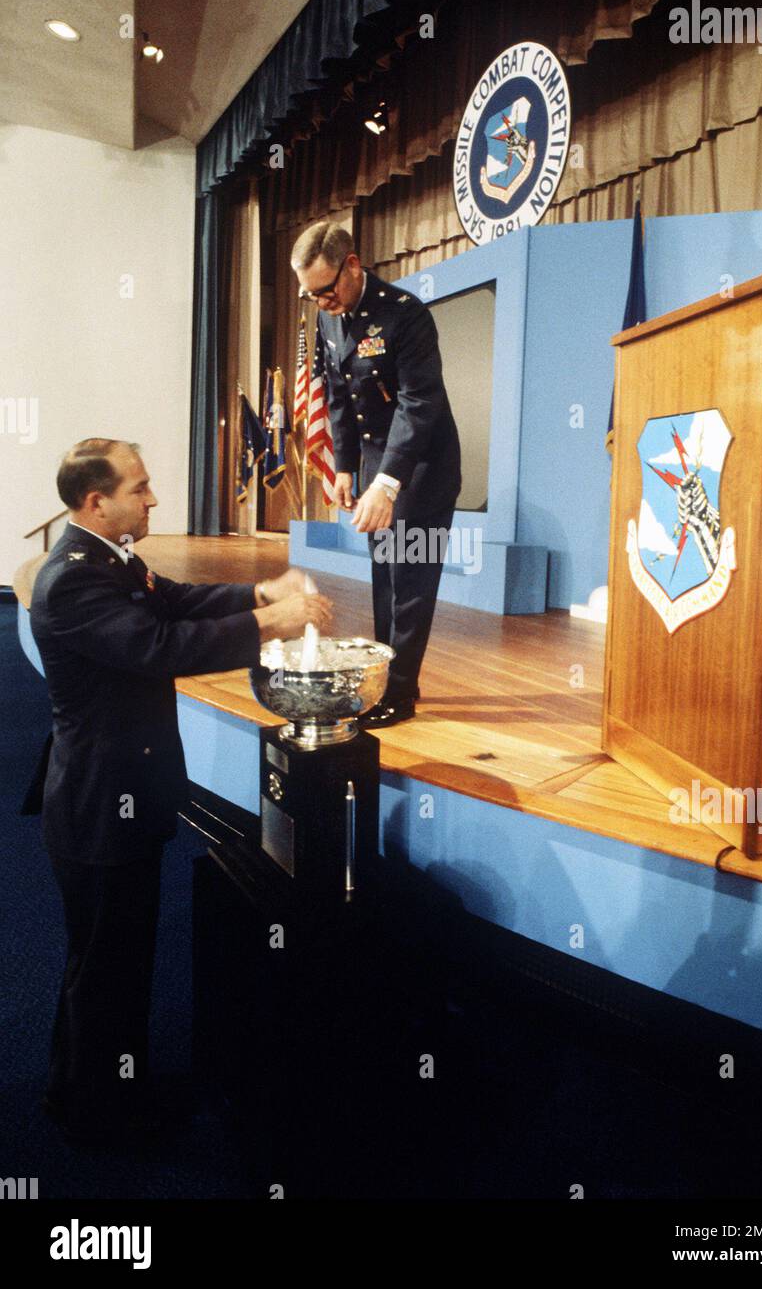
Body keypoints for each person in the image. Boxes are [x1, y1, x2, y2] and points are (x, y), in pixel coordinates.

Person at [29, 437, 332, 1147]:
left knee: (110, 960)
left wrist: (259, 591)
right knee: (108, 966)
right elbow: (157, 646)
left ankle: (84, 1091)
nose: (154, 498)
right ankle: (100, 1118)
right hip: (100, 807)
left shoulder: (108, 558)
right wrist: (268, 625)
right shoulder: (74, 577)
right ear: (95, 502)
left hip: (116, 796)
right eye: (139, 488)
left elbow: (178, 601)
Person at [291, 223, 461, 726]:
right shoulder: (330, 319)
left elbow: (419, 402)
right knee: (385, 575)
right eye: (310, 295)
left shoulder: (405, 315)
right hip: (372, 463)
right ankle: (388, 676)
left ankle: (400, 694)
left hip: (421, 465)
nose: (321, 302)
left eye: (326, 290)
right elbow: (339, 395)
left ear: (352, 265)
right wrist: (345, 467)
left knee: (410, 578)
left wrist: (387, 483)